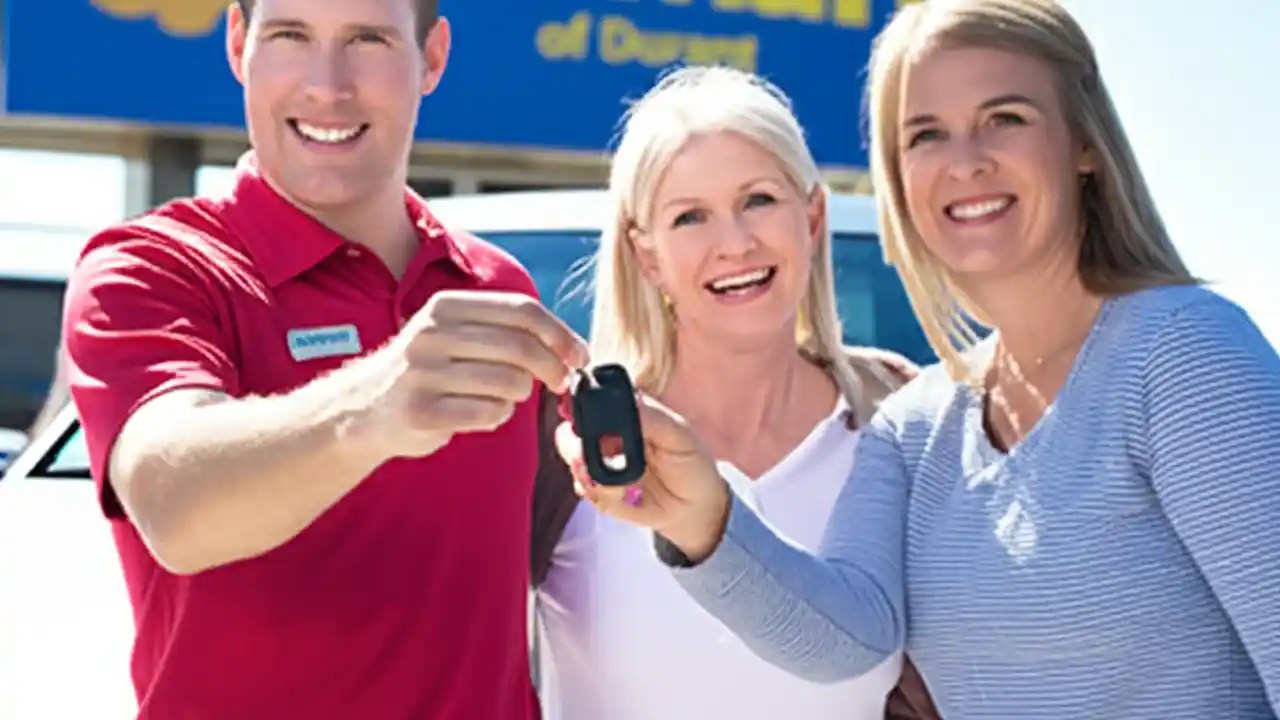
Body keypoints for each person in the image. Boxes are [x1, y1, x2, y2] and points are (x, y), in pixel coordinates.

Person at [556, 1, 1280, 718]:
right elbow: (844, 639)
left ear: (1084, 143)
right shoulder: (916, 422)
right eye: (926, 134)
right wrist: (706, 516)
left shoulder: (1183, 355)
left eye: (1005, 118)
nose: (966, 163)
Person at [60, 1, 587, 718]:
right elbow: (171, 506)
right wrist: (369, 407)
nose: (327, 86)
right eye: (291, 36)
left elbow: (556, 567)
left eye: (366, 39)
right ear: (240, 44)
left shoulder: (496, 289)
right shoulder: (152, 269)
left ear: (431, 57)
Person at [531, 66, 938, 720]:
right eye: (690, 216)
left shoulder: (901, 416)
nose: (735, 244)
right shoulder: (574, 444)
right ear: (647, 255)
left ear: (812, 217)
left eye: (758, 200)